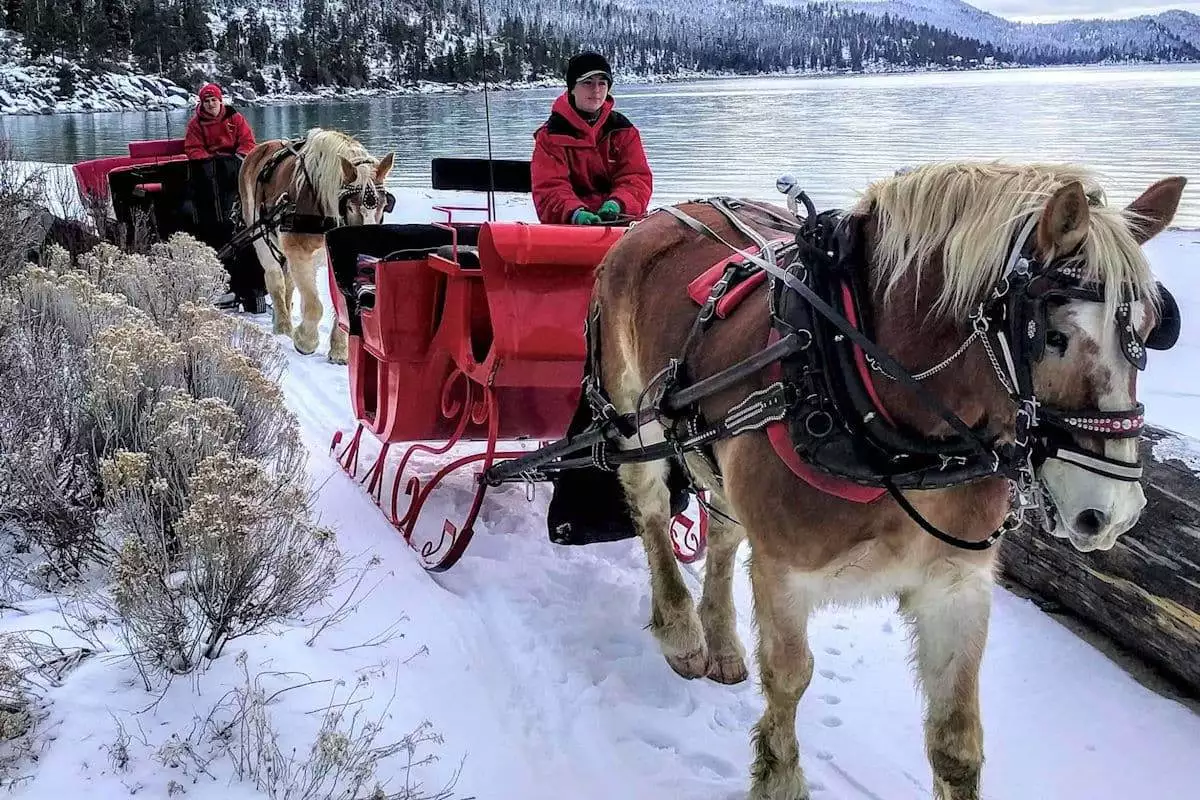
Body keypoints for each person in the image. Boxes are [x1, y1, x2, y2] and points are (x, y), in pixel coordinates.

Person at [530, 52, 653, 225]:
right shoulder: (550, 135)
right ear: (572, 88)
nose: (596, 90)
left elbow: (637, 179)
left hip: (620, 224)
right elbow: (550, 188)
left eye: (602, 83)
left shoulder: (623, 130)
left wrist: (618, 203)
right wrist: (575, 213)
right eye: (587, 83)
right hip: (569, 228)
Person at [183, 83, 256, 160]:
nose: (211, 104)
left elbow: (247, 141)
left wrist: (240, 156)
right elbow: (193, 148)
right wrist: (208, 161)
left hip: (235, 159)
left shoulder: (235, 117)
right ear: (202, 104)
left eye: (213, 100)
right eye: (206, 101)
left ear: (220, 101)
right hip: (210, 162)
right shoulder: (195, 124)